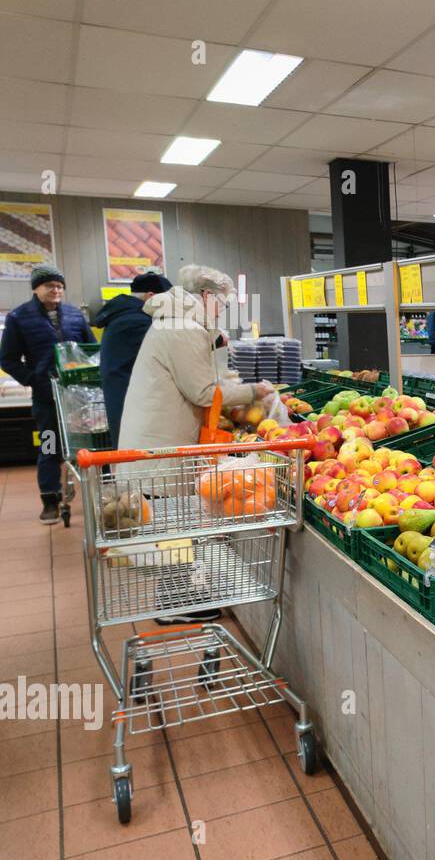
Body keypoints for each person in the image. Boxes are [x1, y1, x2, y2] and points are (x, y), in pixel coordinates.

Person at [117, 265, 275, 624]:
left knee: (172, 524)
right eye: (221, 303)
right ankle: (176, 606)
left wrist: (214, 339)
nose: (222, 310)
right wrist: (254, 391)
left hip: (157, 437)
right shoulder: (182, 329)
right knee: (173, 526)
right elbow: (203, 391)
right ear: (205, 296)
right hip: (161, 445)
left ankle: (180, 597)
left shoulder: (177, 323)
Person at [0, 264, 94, 522]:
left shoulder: (75, 315)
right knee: (50, 446)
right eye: (50, 286)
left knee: (87, 446)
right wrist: (36, 381)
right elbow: (7, 360)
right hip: (46, 400)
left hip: (79, 400)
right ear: (36, 288)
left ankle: (95, 494)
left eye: (60, 286)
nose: (56, 290)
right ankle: (50, 499)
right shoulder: (19, 317)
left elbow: (90, 350)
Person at [95, 272, 172, 448]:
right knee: (135, 462)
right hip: (130, 403)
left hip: (121, 397)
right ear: (151, 296)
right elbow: (169, 349)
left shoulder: (122, 315)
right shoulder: (137, 321)